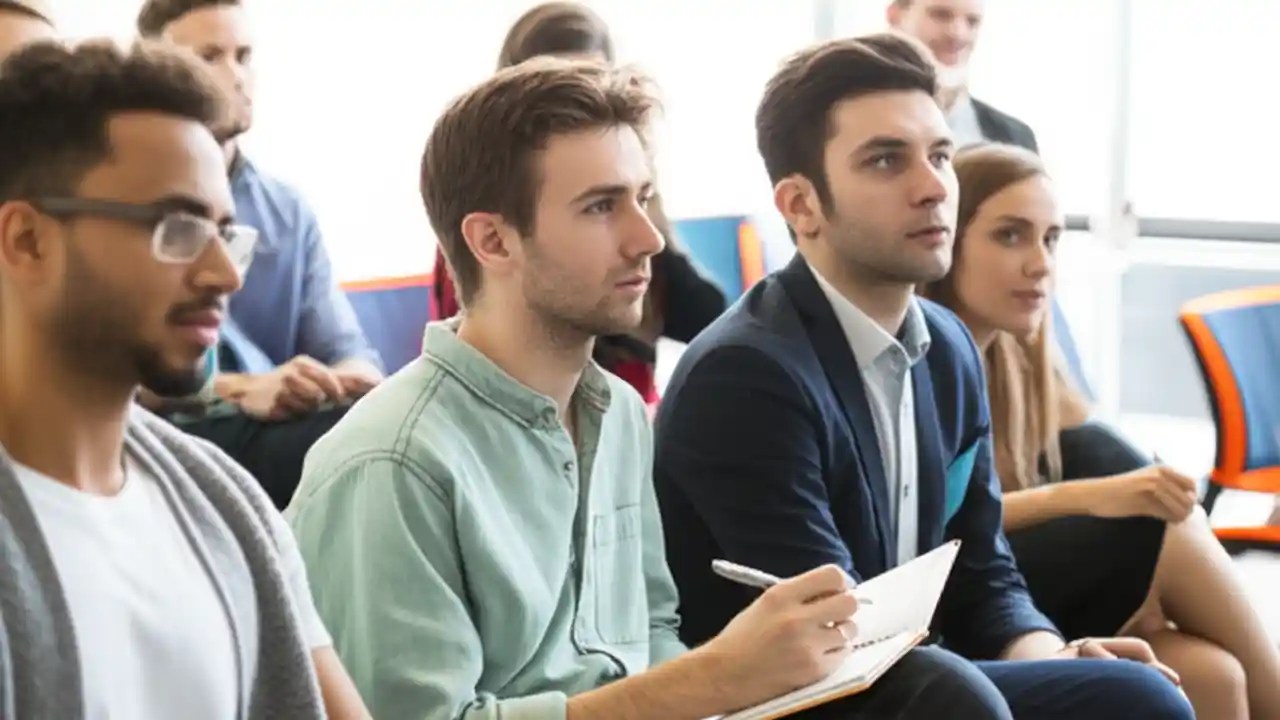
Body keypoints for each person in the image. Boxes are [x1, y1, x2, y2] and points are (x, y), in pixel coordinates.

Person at [288, 57, 907, 720]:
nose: (647, 239)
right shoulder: (392, 465)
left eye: (642, 198)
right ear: (493, 241)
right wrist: (719, 676)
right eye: (601, 207)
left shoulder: (617, 413)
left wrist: (729, 687)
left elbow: (651, 637)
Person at [652, 34, 1191, 720]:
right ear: (800, 206)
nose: (934, 185)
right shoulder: (747, 374)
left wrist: (1047, 657)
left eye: (939, 155)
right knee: (1113, 697)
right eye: (885, 161)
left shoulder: (949, 347)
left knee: (1139, 687)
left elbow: (982, 566)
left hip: (915, 668)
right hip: (801, 695)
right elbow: (831, 628)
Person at [0, 38, 368, 719]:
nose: (223, 274)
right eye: (175, 226)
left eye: (225, 233)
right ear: (28, 241)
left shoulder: (228, 505)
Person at [920, 141, 1280, 720]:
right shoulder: (920, 361)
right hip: (953, 599)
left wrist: (1142, 487)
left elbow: (1100, 450)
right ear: (948, 241)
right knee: (1153, 521)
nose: (1040, 263)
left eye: (1052, 239)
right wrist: (1097, 497)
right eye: (1010, 235)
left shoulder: (1020, 357)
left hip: (1018, 584)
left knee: (1214, 674)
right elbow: (936, 526)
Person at [136, 0, 378, 503]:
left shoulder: (287, 210)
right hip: (175, 438)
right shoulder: (124, 206)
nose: (236, 76)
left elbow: (353, 357)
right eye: (210, 57)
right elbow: (115, 377)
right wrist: (247, 389)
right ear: (152, 69)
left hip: (291, 432)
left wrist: (329, 385)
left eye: (244, 56)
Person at [431, 0, 726, 406]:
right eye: (599, 206)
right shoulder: (489, 234)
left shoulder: (639, 222)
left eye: (592, 80)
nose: (579, 104)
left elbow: (706, 318)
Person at [886, 0, 1035, 152]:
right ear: (895, 17)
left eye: (972, 21)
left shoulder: (1016, 137)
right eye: (941, 15)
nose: (958, 34)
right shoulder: (863, 115)